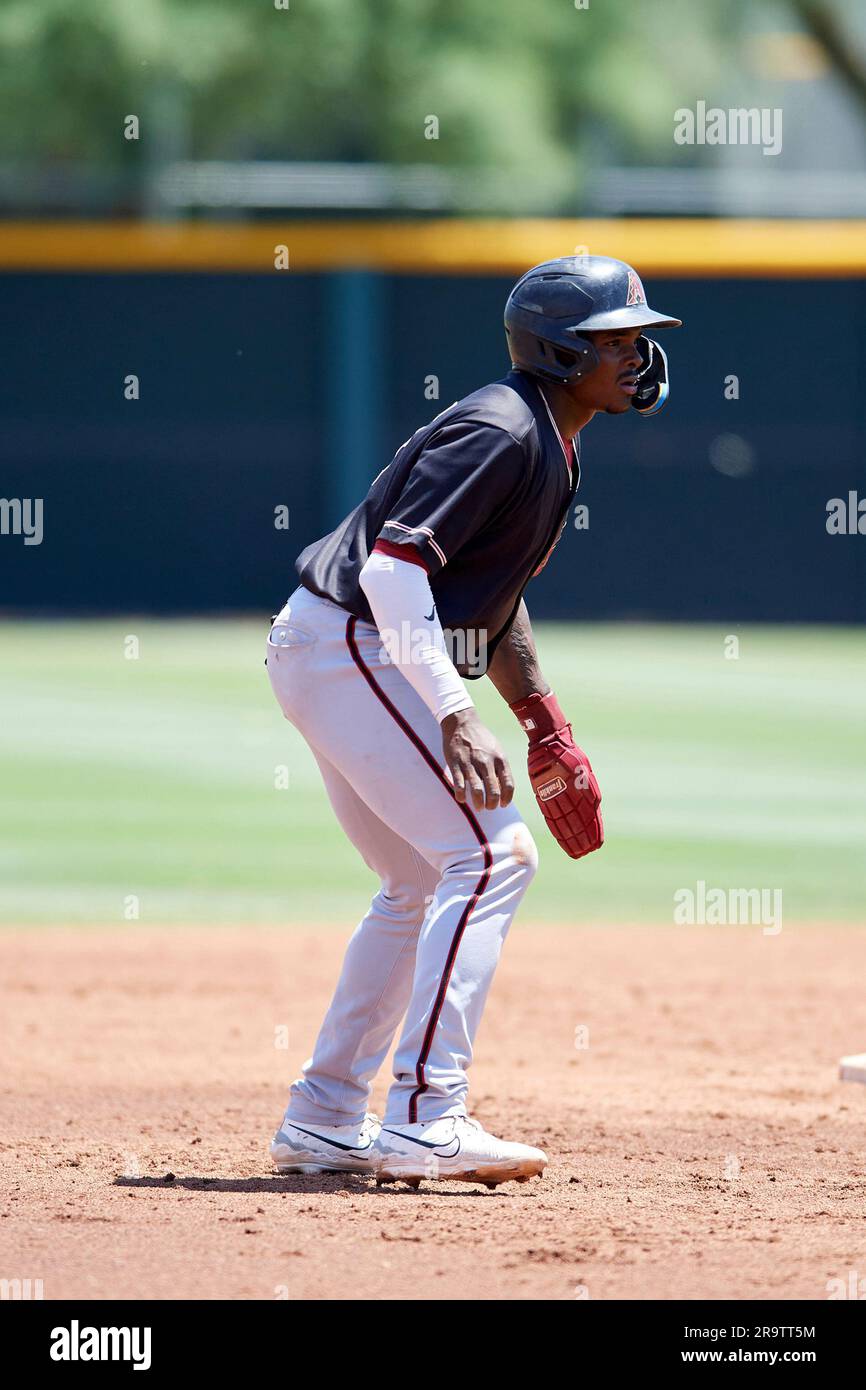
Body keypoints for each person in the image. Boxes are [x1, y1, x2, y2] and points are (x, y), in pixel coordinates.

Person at [265, 256, 681, 1188]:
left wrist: (543, 721)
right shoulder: (503, 430)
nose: (638, 352)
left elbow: (491, 601)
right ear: (560, 350)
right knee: (492, 855)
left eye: (639, 335)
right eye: (616, 338)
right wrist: (456, 715)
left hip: (344, 649)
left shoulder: (553, 438)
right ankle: (424, 1117)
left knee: (420, 875)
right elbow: (391, 573)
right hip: (350, 645)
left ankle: (326, 1118)